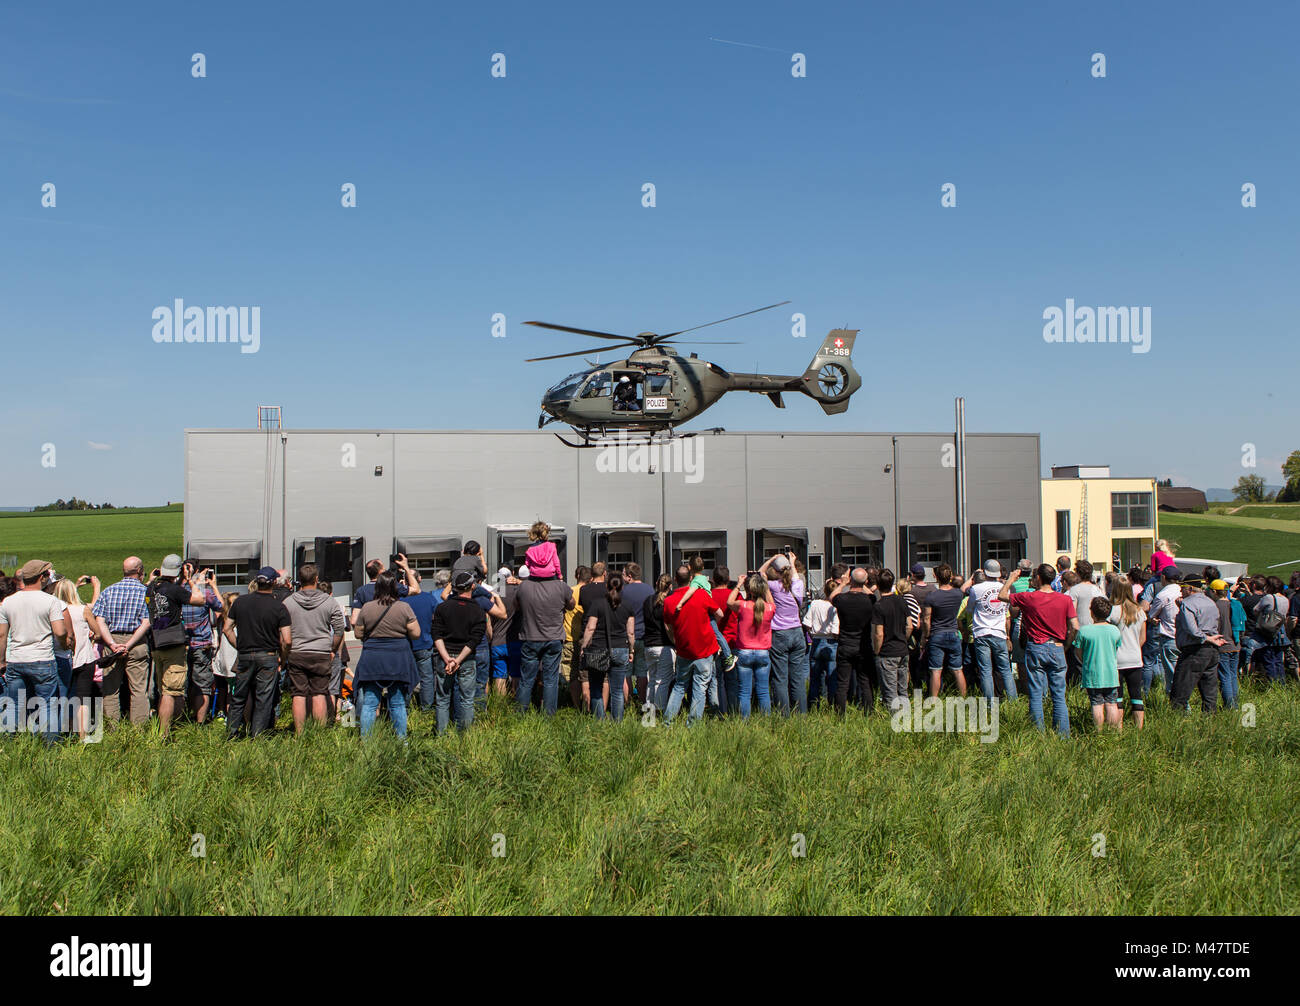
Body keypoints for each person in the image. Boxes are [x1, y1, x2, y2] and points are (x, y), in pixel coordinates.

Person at [999, 563, 1079, 735]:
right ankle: (1063, 734)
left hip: (1036, 646)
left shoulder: (1028, 597)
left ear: (1039, 578)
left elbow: (1002, 595)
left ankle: (1038, 732)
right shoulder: (1065, 599)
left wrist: (1011, 579)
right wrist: (1066, 644)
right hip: (1056, 646)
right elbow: (1075, 626)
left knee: (1035, 693)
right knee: (1059, 695)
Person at [0, 560, 71, 742]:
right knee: (48, 705)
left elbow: (2, 635)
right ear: (41, 577)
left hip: (16, 659)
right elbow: (60, 631)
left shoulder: (8, 601)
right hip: (42, 659)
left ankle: (9, 744)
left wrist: (2, 660)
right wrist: (64, 644)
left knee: (14, 706)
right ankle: (50, 746)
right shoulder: (50, 601)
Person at [146, 554, 214, 738]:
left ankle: (165, 726)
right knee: (171, 690)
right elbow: (199, 599)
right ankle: (164, 734)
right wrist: (192, 581)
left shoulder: (151, 588)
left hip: (156, 642)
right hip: (173, 643)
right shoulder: (174, 590)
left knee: (162, 689)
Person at [223, 566, 291, 738]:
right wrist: (282, 659)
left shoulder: (240, 602)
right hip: (268, 655)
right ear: (274, 582)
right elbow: (287, 640)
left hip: (245, 655)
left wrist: (239, 645)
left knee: (238, 696)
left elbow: (227, 628)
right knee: (264, 699)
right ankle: (258, 735)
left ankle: (231, 733)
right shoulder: (279, 607)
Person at [352, 571, 420, 739]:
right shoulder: (404, 607)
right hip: (398, 656)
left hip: (373, 656)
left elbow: (358, 633)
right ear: (395, 587)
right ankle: (401, 741)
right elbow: (416, 633)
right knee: (397, 703)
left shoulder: (367, 608)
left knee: (369, 702)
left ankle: (367, 742)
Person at [282, 563, 345, 734]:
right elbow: (339, 628)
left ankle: (300, 733)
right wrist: (332, 648)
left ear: (299, 580)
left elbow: (282, 630)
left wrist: (285, 653)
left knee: (298, 694)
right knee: (319, 692)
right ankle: (319, 733)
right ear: (316, 580)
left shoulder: (288, 602)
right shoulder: (329, 601)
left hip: (297, 651)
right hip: (321, 652)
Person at [91, 556, 152, 725]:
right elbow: (146, 622)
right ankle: (139, 729)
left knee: (111, 689)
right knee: (138, 689)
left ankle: (112, 727)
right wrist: (129, 644)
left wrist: (111, 643)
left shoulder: (109, 591)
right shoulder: (145, 592)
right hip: (137, 641)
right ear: (140, 571)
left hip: (112, 640)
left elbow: (100, 620)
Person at [515, 556, 575, 715]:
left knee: (526, 679)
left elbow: (516, 606)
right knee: (550, 680)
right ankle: (549, 715)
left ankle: (520, 714)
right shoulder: (561, 586)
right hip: (553, 637)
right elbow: (572, 605)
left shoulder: (524, 587)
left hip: (530, 636)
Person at [662, 564, 719, 725]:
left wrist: (674, 639)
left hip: (684, 649)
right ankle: (693, 723)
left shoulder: (669, 601)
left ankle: (668, 722)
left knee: (679, 685)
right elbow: (718, 612)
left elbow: (668, 626)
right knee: (700, 687)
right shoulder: (701, 595)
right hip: (705, 647)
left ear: (675, 580)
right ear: (691, 579)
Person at [431, 571, 488, 733]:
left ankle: (441, 734)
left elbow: (436, 634)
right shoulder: (477, 610)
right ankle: (465, 735)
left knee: (442, 699)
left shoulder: (442, 607)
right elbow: (475, 639)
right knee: (467, 699)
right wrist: (458, 660)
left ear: (454, 587)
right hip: (467, 658)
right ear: (472, 586)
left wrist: (448, 658)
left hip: (445, 657)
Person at [580, 573, 635, 721]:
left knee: (596, 688)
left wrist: (584, 646)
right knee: (617, 690)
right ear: (622, 587)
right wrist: (631, 649)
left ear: (606, 586)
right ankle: (617, 721)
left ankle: (600, 720)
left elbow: (590, 628)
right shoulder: (628, 605)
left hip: (598, 648)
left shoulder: (597, 604)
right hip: (620, 648)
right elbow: (630, 632)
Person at [1170, 573, 1228, 713]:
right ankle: (1209, 722)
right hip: (1212, 651)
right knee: (1209, 692)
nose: (1180, 591)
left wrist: (1205, 638)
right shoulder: (1211, 602)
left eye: (1182, 587)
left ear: (1189, 588)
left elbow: (1193, 630)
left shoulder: (1188, 604)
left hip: (1194, 651)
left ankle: (1176, 723)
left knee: (1180, 693)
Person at [761, 550, 808, 715]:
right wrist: (791, 562)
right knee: (797, 678)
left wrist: (773, 559)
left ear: (776, 570)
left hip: (779, 633)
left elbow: (760, 574)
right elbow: (794, 576)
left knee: (780, 678)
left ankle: (784, 714)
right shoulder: (797, 585)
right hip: (797, 632)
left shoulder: (774, 587)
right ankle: (801, 713)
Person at [59, 575, 104, 738]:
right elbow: (98, 633)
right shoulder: (83, 609)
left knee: (63, 697)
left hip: (64, 658)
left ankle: (65, 731)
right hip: (84, 658)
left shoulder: (55, 610)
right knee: (82, 699)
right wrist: (91, 636)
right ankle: (83, 736)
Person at [179, 562, 223, 724]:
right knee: (202, 683)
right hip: (202, 643)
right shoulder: (205, 593)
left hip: (183, 643)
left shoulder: (179, 592)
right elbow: (221, 607)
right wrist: (214, 586)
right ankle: (199, 721)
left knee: (183, 683)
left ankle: (182, 716)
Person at [829, 567, 876, 714]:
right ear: (866, 582)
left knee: (842, 683)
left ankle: (840, 714)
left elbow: (832, 597)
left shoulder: (843, 599)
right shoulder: (869, 600)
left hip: (845, 644)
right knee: (865, 682)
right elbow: (872, 594)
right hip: (863, 645)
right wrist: (864, 584)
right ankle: (868, 712)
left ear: (851, 581)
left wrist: (843, 584)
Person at [726, 574, 774, 717]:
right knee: (764, 691)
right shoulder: (770, 609)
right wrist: (765, 585)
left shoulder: (743, 606)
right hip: (763, 652)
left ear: (750, 591)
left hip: (744, 651)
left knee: (744, 692)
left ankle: (744, 722)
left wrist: (738, 584)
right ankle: (766, 720)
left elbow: (729, 602)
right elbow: (771, 602)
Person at [1072, 596, 1123, 730]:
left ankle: (1098, 732)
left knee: (1096, 703)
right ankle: (1113, 732)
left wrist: (1086, 661)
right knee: (1112, 703)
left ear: (1092, 612)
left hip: (1092, 673)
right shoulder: (1115, 630)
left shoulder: (1084, 631)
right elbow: (1116, 648)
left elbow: (1078, 652)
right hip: (1111, 673)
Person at [968, 559, 1015, 701]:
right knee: (1006, 670)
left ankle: (989, 703)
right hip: (999, 632)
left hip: (981, 632)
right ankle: (1014, 702)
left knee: (985, 671)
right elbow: (1007, 610)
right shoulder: (1005, 587)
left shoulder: (976, 589)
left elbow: (970, 609)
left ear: (985, 572)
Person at [1107, 574, 1147, 728]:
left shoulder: (1113, 611)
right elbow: (1142, 638)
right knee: (1136, 695)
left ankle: (1118, 728)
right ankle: (1139, 728)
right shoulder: (1139, 611)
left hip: (1116, 659)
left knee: (1118, 697)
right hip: (1135, 658)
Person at [920, 563, 966, 698]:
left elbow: (926, 619)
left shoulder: (931, 597)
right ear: (950, 576)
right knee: (958, 670)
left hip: (937, 634)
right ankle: (963, 699)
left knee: (936, 671)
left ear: (936, 577)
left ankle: (933, 700)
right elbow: (964, 587)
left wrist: (926, 636)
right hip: (953, 632)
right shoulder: (958, 594)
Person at [871, 569, 913, 709]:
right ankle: (906, 717)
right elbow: (910, 626)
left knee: (890, 692)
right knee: (903, 690)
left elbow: (879, 634)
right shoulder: (901, 600)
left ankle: (894, 722)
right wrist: (903, 639)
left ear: (877, 585)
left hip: (887, 652)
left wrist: (877, 650)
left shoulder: (879, 605)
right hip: (902, 650)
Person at [804, 571, 841, 708]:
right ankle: (832, 704)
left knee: (815, 677)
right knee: (832, 677)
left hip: (817, 640)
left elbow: (807, 623)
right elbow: (836, 630)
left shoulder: (815, 604)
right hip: (832, 641)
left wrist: (813, 634)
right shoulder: (836, 606)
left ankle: (813, 704)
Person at [620, 562, 655, 706]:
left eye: (623, 574)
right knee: (642, 672)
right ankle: (642, 702)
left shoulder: (623, 592)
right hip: (645, 635)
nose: (622, 577)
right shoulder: (650, 590)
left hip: (627, 636)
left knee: (626, 673)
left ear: (629, 576)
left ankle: (626, 704)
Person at [1149, 566, 1185, 696]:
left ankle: (1179, 707)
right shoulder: (1183, 591)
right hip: (1185, 637)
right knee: (1183, 674)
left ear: (1164, 577)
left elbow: (1152, 614)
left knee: (1172, 676)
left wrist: (1153, 619)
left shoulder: (1163, 595)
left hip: (1169, 636)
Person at [643, 574, 676, 712]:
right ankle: (660, 711)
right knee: (662, 682)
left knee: (651, 680)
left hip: (649, 645)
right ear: (670, 586)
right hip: (664, 645)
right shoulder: (669, 602)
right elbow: (669, 626)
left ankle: (648, 714)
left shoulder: (647, 600)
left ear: (656, 583)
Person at [1208, 579, 1242, 709]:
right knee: (1233, 676)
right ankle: (1235, 704)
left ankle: (1230, 706)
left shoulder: (1215, 606)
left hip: (1222, 645)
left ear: (1214, 592)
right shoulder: (1235, 604)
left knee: (1225, 677)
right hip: (1235, 645)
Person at [1251, 576, 1291, 683]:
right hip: (1280, 631)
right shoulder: (1285, 599)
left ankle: (1272, 684)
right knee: (1278, 660)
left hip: (1269, 631)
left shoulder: (1268, 598)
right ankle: (1281, 684)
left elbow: (1255, 610)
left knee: (1269, 659)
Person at [567, 566, 591, 709]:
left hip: (569, 637)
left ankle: (576, 705)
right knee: (586, 676)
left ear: (577, 576)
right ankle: (586, 706)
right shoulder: (589, 594)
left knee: (572, 674)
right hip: (585, 639)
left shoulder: (569, 591)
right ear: (590, 579)